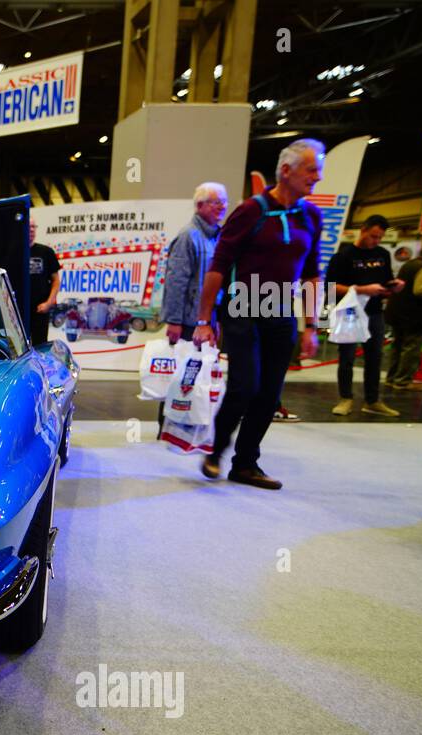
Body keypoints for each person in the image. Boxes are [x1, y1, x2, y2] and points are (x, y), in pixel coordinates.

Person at [194, 138, 326, 490]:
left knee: (269, 393)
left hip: (281, 311)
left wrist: (312, 325)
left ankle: (246, 464)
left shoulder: (312, 215)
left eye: (320, 170)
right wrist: (205, 320)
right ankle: (216, 452)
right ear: (286, 170)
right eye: (312, 170)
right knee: (245, 385)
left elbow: (313, 272)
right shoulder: (251, 210)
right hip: (242, 308)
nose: (318, 178)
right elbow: (218, 265)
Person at [158, 182, 228, 434]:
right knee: (181, 373)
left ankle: (188, 423)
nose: (222, 206)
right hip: (187, 321)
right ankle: (167, 426)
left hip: (208, 320)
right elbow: (176, 281)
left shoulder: (218, 237)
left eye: (224, 202)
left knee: (199, 371)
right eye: (216, 202)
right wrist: (174, 320)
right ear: (200, 206)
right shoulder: (189, 236)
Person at [327, 214, 402, 417]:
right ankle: (346, 398)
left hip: (375, 312)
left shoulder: (382, 255)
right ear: (363, 229)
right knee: (347, 357)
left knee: (375, 357)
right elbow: (331, 288)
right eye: (373, 236)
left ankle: (372, 400)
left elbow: (386, 281)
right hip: (350, 311)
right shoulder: (343, 256)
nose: (375, 241)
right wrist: (361, 289)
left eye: (379, 237)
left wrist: (393, 287)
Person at [385, 241, 422, 390]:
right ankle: (403, 381)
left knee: (397, 346)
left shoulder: (408, 264)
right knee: (411, 347)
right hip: (413, 315)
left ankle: (391, 378)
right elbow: (421, 290)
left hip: (398, 312)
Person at [28, 220, 62, 346]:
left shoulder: (46, 252)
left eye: (33, 227)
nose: (31, 229)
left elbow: (56, 281)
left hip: (40, 309)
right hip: (18, 312)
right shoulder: (14, 252)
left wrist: (49, 303)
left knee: (40, 346)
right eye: (28, 226)